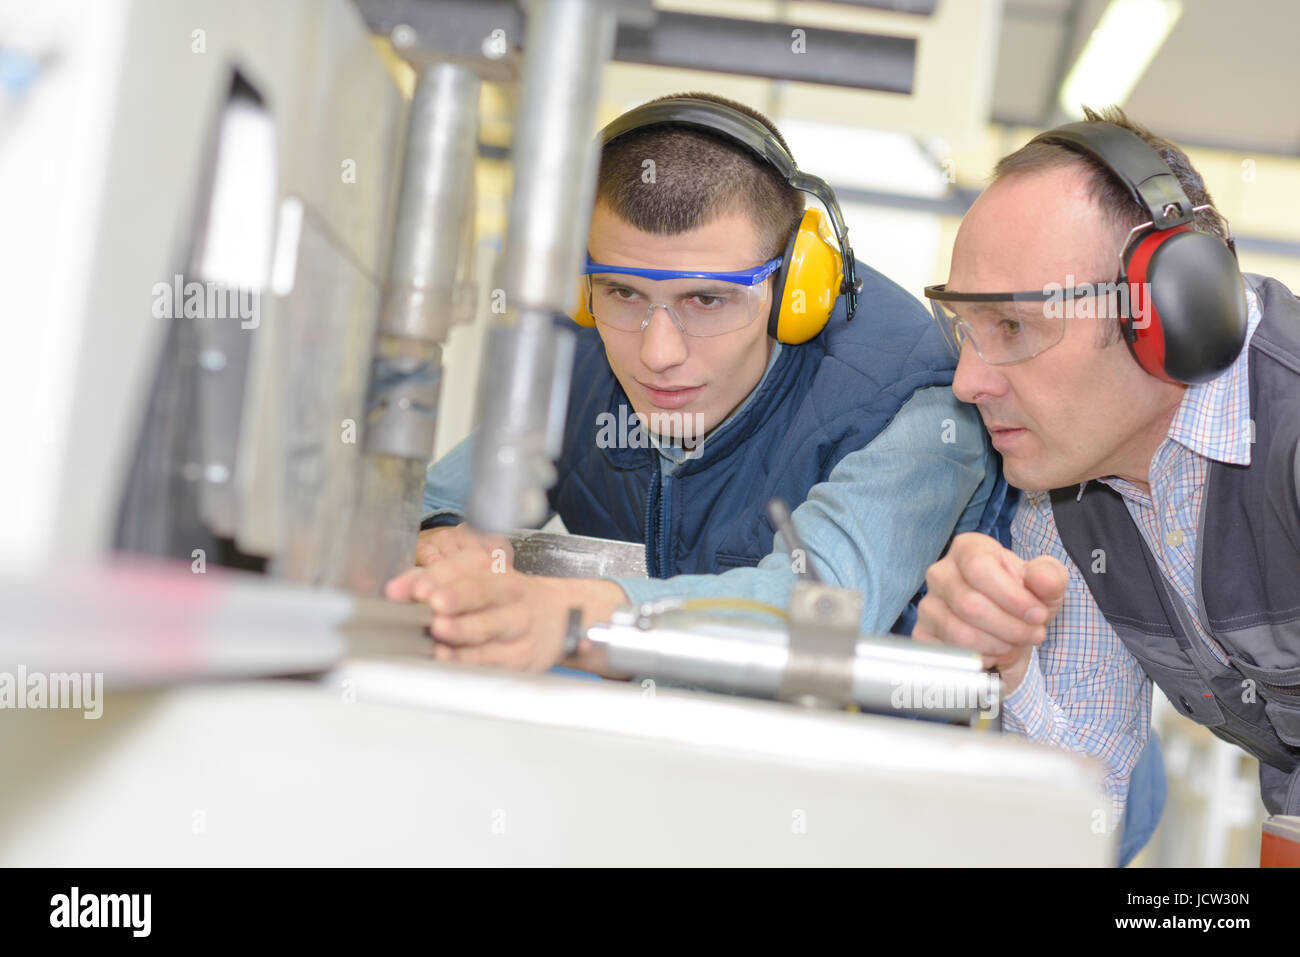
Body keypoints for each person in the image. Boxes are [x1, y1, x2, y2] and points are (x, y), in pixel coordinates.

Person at [385, 92, 1012, 673]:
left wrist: (572, 616)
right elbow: (414, 500)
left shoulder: (916, 408)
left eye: (708, 300)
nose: (657, 354)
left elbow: (817, 616)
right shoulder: (577, 352)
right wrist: (438, 535)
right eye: (624, 292)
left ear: (796, 289)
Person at [913, 106, 1300, 859]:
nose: (967, 381)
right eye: (964, 328)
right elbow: (1086, 802)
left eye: (1014, 328)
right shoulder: (1070, 489)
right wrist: (1011, 671)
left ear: (1169, 309)